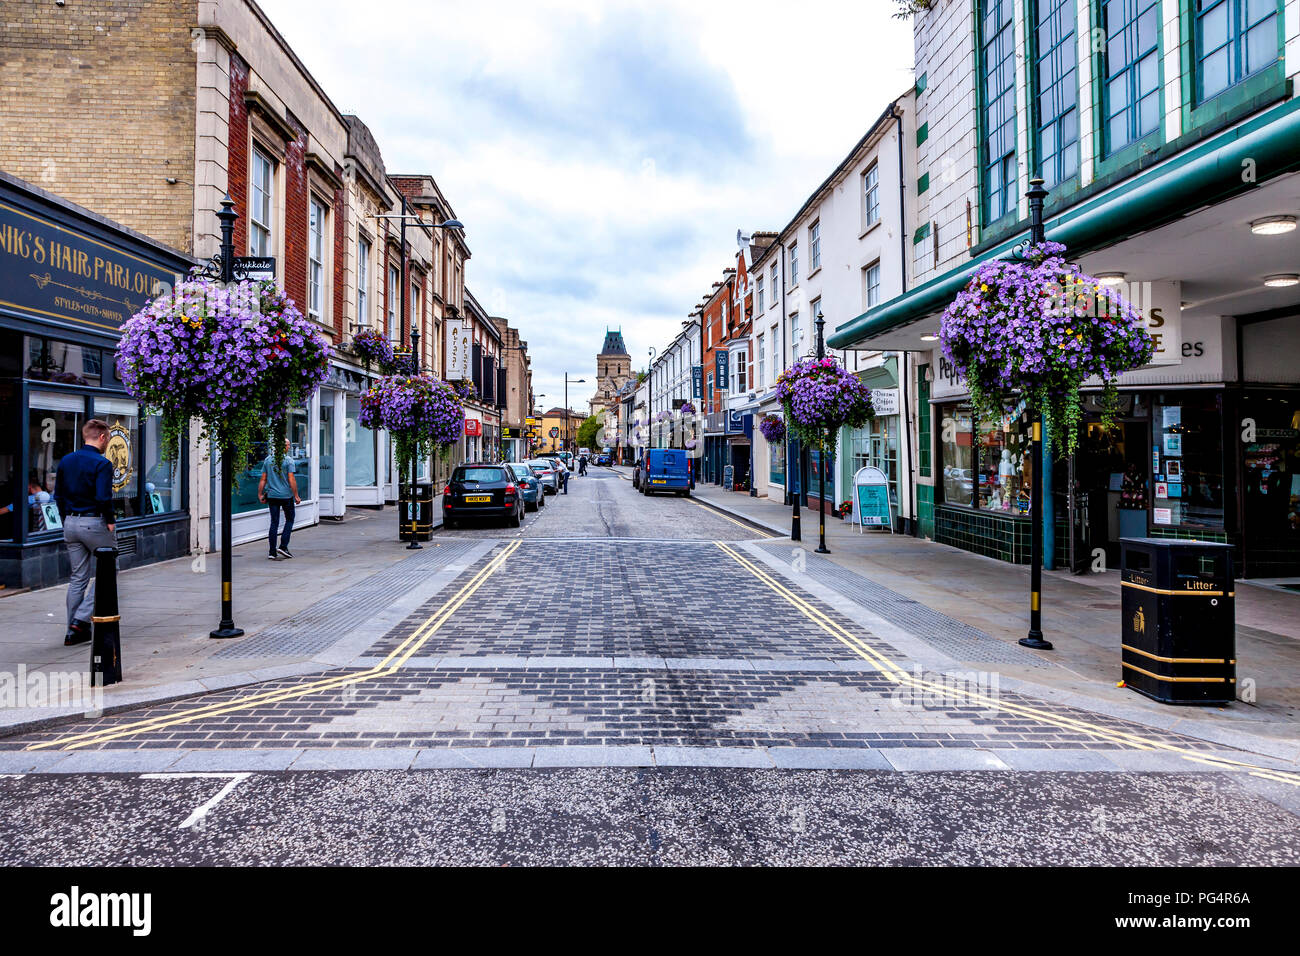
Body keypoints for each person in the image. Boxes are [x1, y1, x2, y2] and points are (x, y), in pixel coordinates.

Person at [54, 419, 116, 647]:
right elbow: (103, 497)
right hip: (94, 523)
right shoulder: (102, 463)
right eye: (107, 438)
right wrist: (110, 520)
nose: (107, 442)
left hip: (70, 522)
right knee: (109, 572)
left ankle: (72, 631)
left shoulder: (66, 461)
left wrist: (66, 520)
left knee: (78, 577)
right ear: (102, 437)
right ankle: (80, 620)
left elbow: (58, 495)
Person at [258, 439, 301, 560]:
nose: (289, 447)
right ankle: (283, 546)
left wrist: (260, 494)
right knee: (290, 519)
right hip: (286, 496)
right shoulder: (288, 460)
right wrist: (296, 495)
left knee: (274, 522)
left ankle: (272, 552)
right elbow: (292, 479)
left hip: (272, 496)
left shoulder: (268, 460)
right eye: (288, 445)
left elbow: (263, 479)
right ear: (284, 447)